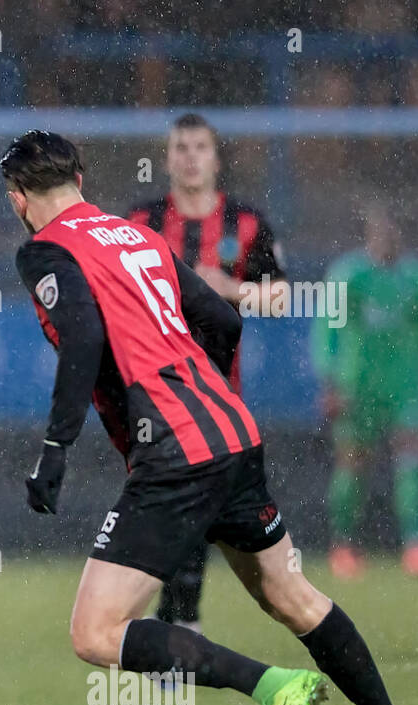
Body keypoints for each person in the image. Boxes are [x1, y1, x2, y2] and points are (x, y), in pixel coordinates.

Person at [2, 130, 418, 705]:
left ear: (16, 197)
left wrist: (56, 449)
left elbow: (84, 337)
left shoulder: (45, 249)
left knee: (95, 633)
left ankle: (272, 687)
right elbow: (225, 323)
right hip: (233, 429)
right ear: (81, 178)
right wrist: (196, 387)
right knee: (291, 595)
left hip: (174, 451)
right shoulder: (142, 238)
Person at [127, 113, 290, 633]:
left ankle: (180, 622)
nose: (191, 156)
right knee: (172, 501)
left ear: (216, 158)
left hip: (219, 393)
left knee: (194, 503)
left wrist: (228, 288)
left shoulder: (245, 223)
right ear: (168, 157)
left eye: (200, 146)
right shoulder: (141, 222)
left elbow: (281, 298)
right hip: (155, 391)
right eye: (181, 147)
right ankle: (177, 621)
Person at [315, 203, 418, 578]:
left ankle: (416, 543)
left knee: (412, 459)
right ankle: (343, 544)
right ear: (369, 234)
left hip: (405, 386)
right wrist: (330, 382)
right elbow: (329, 330)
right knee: (353, 465)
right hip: (357, 386)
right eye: (380, 231)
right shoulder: (348, 276)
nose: (388, 238)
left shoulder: (417, 278)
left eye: (393, 231)